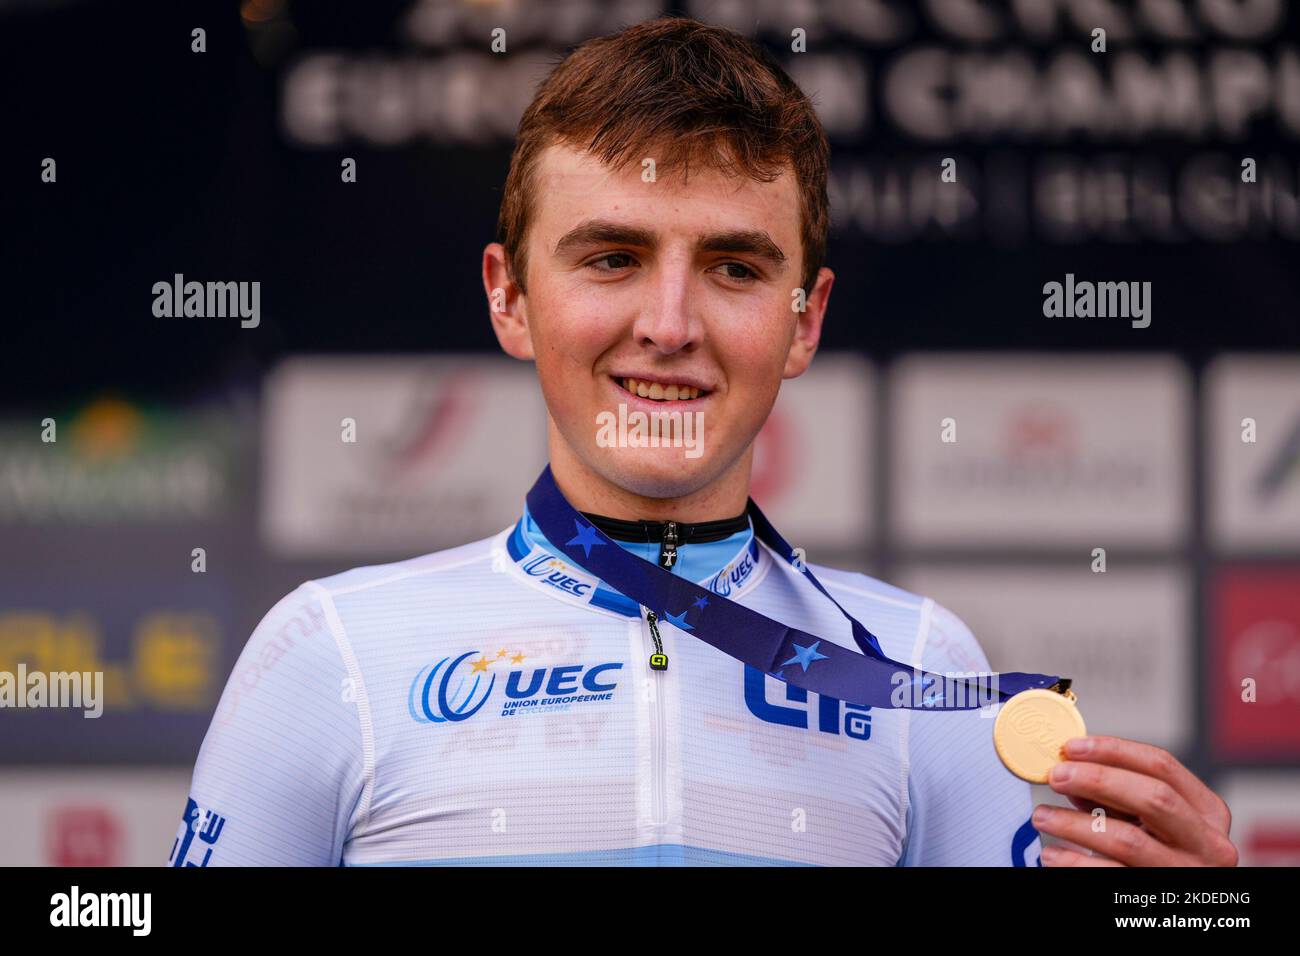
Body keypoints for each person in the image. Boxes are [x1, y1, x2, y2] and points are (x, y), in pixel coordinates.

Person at [171, 16, 1237, 867]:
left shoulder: (920, 669)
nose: (670, 324)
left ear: (803, 320)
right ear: (510, 298)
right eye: (612, 258)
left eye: (732, 267)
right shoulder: (332, 654)